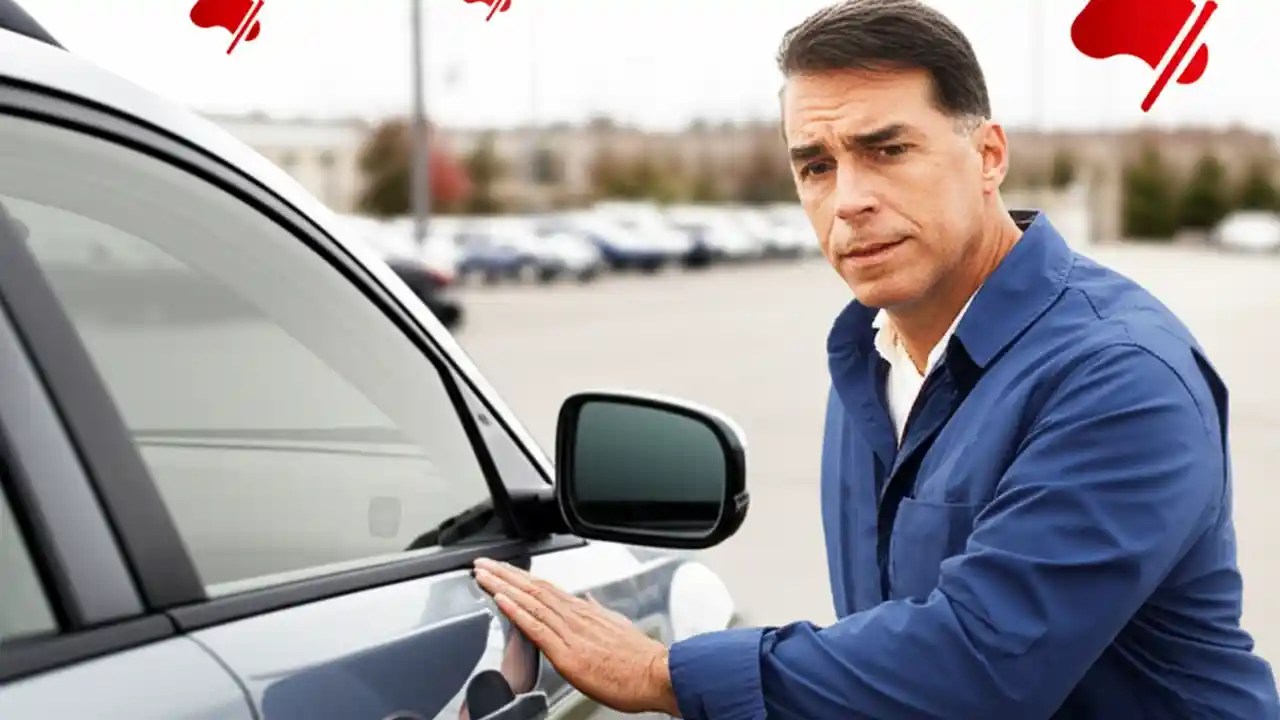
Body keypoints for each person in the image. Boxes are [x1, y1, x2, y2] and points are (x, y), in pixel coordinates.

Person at [472, 0, 1280, 717]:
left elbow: (980, 664)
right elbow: (882, 651)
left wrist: (665, 673)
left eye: (886, 150)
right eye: (816, 166)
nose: (848, 198)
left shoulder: (1120, 373)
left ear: (989, 155)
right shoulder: (869, 358)